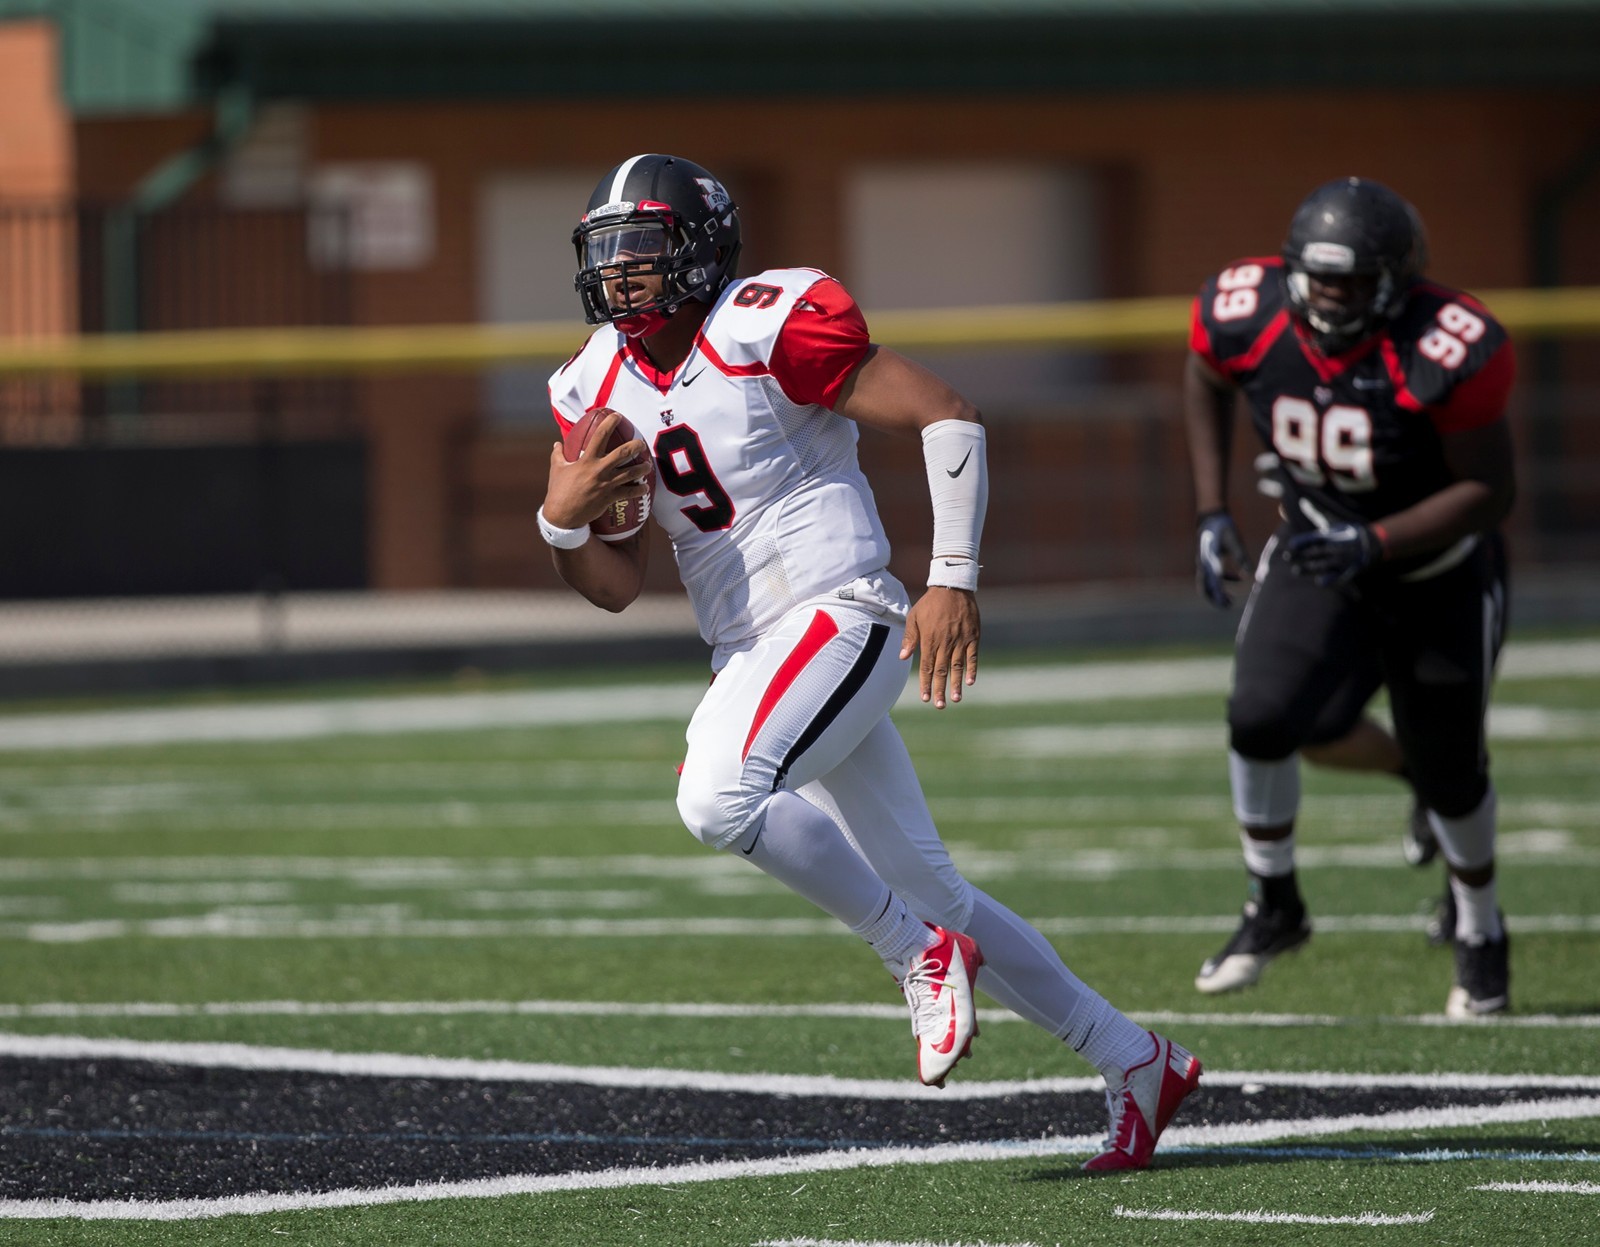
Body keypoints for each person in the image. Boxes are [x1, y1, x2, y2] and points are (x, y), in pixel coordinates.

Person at [538, 152, 1201, 1170]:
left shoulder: (768, 319)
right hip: (752, 650)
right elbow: (615, 583)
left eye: (644, 248)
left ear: (702, 247)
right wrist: (561, 526)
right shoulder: (592, 384)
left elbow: (947, 413)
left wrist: (952, 576)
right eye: (609, 252)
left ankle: (914, 955)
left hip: (841, 610)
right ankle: (1135, 1058)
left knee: (718, 797)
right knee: (935, 887)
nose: (623, 272)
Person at [1184, 176, 1515, 1018]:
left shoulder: (1444, 344)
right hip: (1314, 552)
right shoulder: (1245, 311)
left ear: (1397, 281)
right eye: (1319, 278)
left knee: (1451, 764)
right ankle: (1275, 905)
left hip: (1436, 572)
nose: (1332, 297)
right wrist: (1213, 509)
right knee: (1262, 715)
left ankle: (1480, 927)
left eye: (1355, 282)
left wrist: (1375, 540)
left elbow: (1491, 488)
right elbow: (1204, 373)